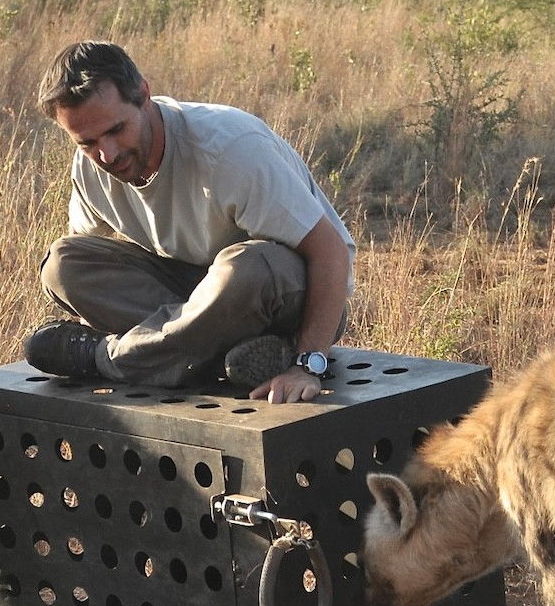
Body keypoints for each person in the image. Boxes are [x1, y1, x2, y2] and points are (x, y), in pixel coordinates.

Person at [23, 40, 354, 404]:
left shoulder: (230, 149)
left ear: (143, 95)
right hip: (197, 296)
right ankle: (227, 353)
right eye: (86, 142)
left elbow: (331, 252)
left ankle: (108, 358)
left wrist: (307, 364)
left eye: (116, 130)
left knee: (246, 265)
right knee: (63, 264)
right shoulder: (91, 167)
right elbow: (87, 263)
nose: (107, 154)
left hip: (286, 295)